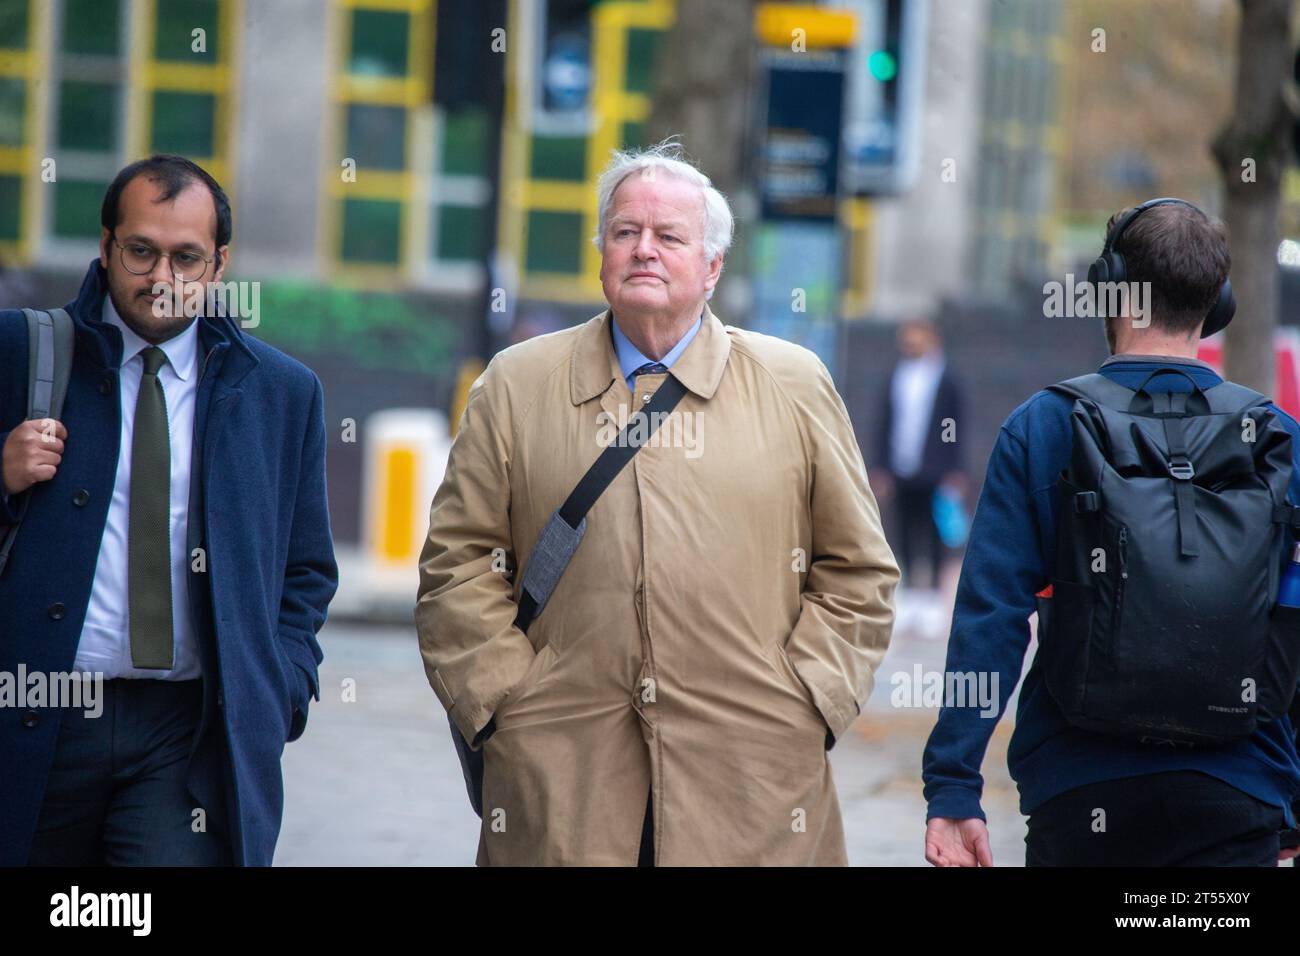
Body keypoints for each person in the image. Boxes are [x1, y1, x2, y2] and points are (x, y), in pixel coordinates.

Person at [415, 139, 899, 866]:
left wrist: (805, 701)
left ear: (712, 266)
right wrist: (509, 706)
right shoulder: (516, 385)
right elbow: (456, 567)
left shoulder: (795, 384)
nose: (645, 249)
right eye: (625, 232)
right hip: (564, 782)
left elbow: (857, 570)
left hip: (753, 786)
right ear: (602, 253)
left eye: (669, 236)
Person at [922, 198, 1300, 867]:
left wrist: (955, 784)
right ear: (1219, 302)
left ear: (1111, 289)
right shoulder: (1273, 436)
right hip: (1240, 790)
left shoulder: (1043, 425)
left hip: (1081, 790)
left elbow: (992, 617)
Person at [0, 154, 338, 866]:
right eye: (141, 252)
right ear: (105, 247)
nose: (161, 279)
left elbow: (305, 571)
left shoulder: (281, 393)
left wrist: (276, 691)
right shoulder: (17, 353)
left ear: (219, 266)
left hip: (184, 738)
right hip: (37, 713)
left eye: (186, 258)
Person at [872, 318, 967, 592]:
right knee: (902, 529)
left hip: (936, 470)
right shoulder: (896, 375)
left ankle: (934, 592)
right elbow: (885, 422)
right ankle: (911, 590)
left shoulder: (947, 379)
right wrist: (881, 466)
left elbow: (956, 425)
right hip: (901, 468)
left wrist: (954, 470)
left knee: (936, 531)